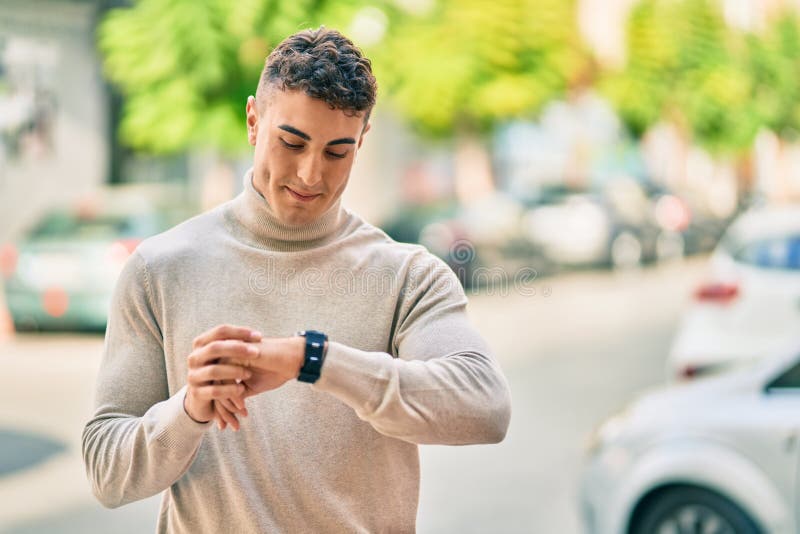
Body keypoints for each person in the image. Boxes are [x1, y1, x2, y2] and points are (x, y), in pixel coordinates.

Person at [82, 26, 511, 533]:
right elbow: (106, 473)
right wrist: (190, 409)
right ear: (252, 120)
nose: (311, 175)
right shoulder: (160, 269)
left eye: (337, 152)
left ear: (362, 141)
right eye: (292, 142)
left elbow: (484, 407)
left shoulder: (406, 275)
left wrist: (313, 360)